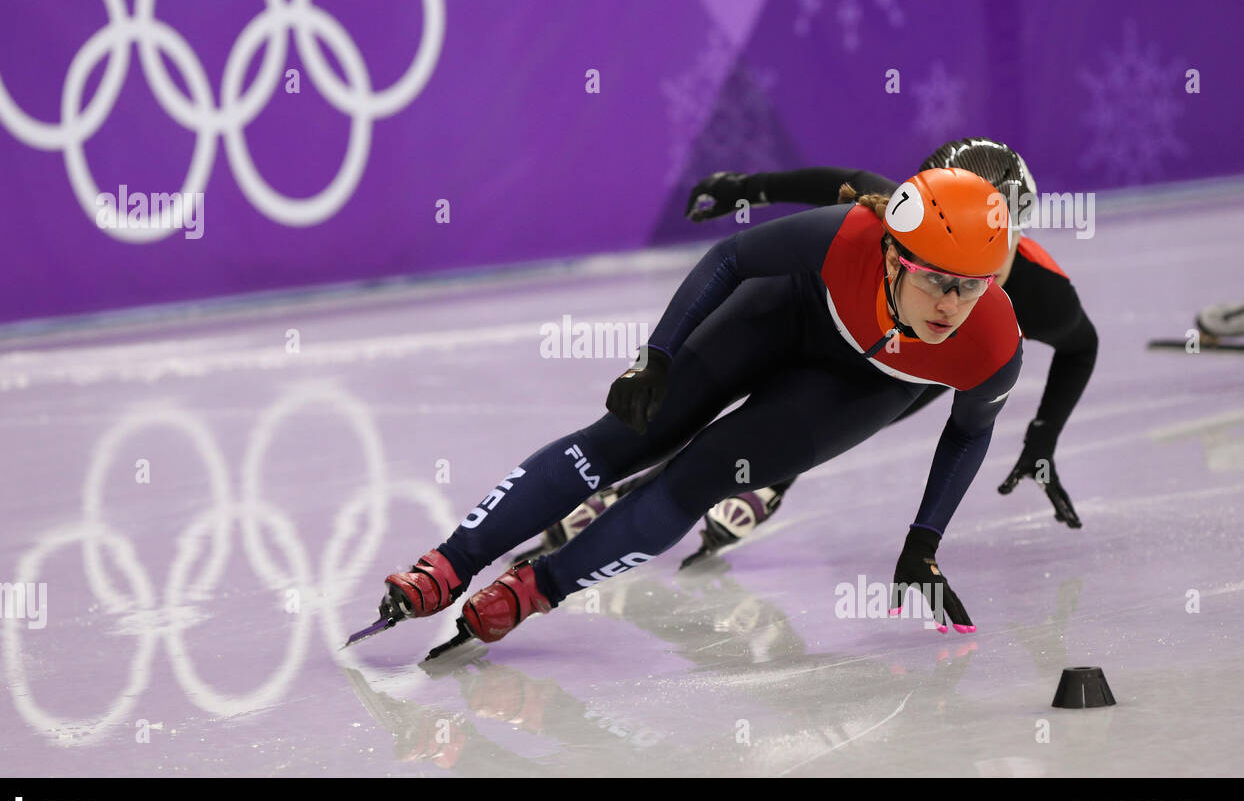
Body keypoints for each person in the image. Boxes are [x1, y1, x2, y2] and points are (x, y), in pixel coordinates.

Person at [371, 167, 1022, 653]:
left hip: (861, 388)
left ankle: (540, 588)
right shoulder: (848, 236)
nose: (951, 305)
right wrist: (656, 357)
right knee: (624, 436)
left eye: (973, 286)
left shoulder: (993, 341)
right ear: (890, 252)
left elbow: (971, 430)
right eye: (936, 279)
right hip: (785, 313)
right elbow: (731, 258)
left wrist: (923, 545)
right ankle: (452, 561)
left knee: (701, 474)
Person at [535, 139, 1096, 569]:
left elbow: (1081, 345)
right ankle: (655, 477)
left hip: (897, 371)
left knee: (907, 377)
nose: (958, 257)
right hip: (821, 315)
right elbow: (843, 185)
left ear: (1016, 238)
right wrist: (746, 188)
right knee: (743, 370)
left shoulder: (1037, 294)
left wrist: (1042, 436)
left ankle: (767, 477)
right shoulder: (900, 227)